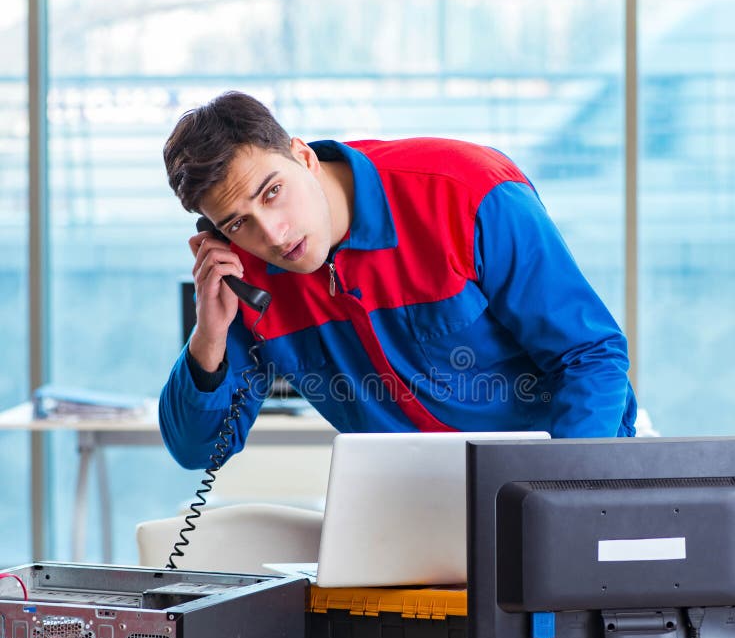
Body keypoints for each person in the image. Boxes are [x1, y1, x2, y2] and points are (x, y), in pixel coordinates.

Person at [159, 91, 636, 469]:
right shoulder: (248, 276)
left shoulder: (468, 193)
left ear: (303, 157)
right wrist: (209, 335)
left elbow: (591, 356)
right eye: (236, 222)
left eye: (273, 193)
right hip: (408, 515)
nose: (274, 234)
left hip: (556, 478)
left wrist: (553, 499)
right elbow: (199, 451)